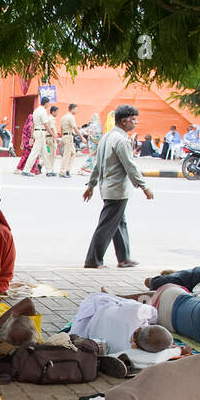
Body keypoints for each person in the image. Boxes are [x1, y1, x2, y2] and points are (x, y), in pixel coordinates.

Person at [83, 104, 153, 269]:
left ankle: (124, 258)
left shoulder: (106, 137)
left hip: (107, 187)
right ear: (124, 121)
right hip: (117, 189)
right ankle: (93, 260)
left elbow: (96, 165)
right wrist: (144, 187)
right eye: (133, 120)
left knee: (119, 224)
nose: (135, 123)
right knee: (107, 225)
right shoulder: (120, 140)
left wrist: (91, 185)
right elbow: (130, 166)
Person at [70, 291, 157, 350]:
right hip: (91, 330)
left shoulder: (137, 310)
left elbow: (154, 316)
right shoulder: (124, 349)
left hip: (97, 305)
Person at [22, 97, 52, 177]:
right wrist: (53, 135)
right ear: (46, 103)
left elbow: (33, 125)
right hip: (41, 132)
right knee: (35, 152)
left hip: (37, 132)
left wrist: (32, 136)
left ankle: (49, 170)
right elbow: (46, 125)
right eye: (48, 103)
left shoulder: (36, 111)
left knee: (45, 153)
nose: (49, 105)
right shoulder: (43, 111)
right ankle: (26, 170)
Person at [57, 103, 80, 177]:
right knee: (67, 155)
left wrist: (63, 137)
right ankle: (62, 172)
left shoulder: (64, 117)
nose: (77, 111)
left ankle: (67, 169)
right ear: (72, 109)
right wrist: (82, 137)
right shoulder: (71, 117)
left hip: (65, 136)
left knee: (73, 153)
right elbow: (75, 128)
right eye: (76, 109)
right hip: (68, 136)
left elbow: (61, 128)